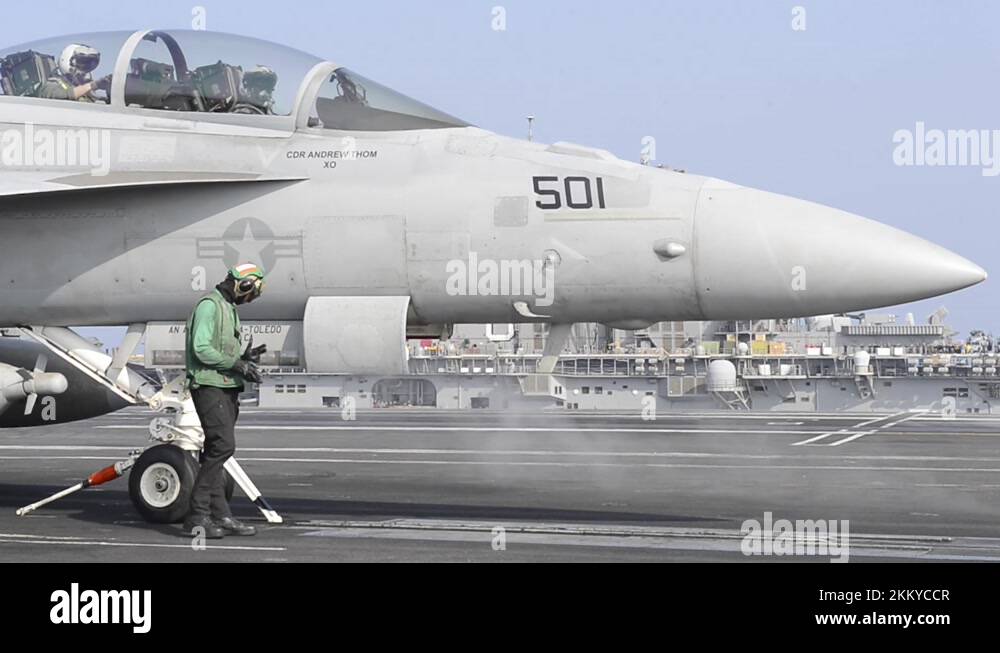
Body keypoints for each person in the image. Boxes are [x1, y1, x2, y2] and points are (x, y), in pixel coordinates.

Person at [182, 263, 267, 538]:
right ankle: (197, 515)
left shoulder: (228, 308)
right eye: (250, 294)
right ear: (244, 285)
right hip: (209, 386)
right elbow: (201, 349)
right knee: (223, 446)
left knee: (215, 451)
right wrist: (237, 364)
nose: (249, 300)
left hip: (226, 386)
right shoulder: (210, 306)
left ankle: (221, 515)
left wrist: (244, 359)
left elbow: (219, 351)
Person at [38, 43, 111, 102]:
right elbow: (62, 96)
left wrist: (109, 90)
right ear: (67, 60)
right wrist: (93, 85)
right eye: (81, 63)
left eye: (88, 65)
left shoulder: (86, 90)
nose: (84, 70)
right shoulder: (51, 86)